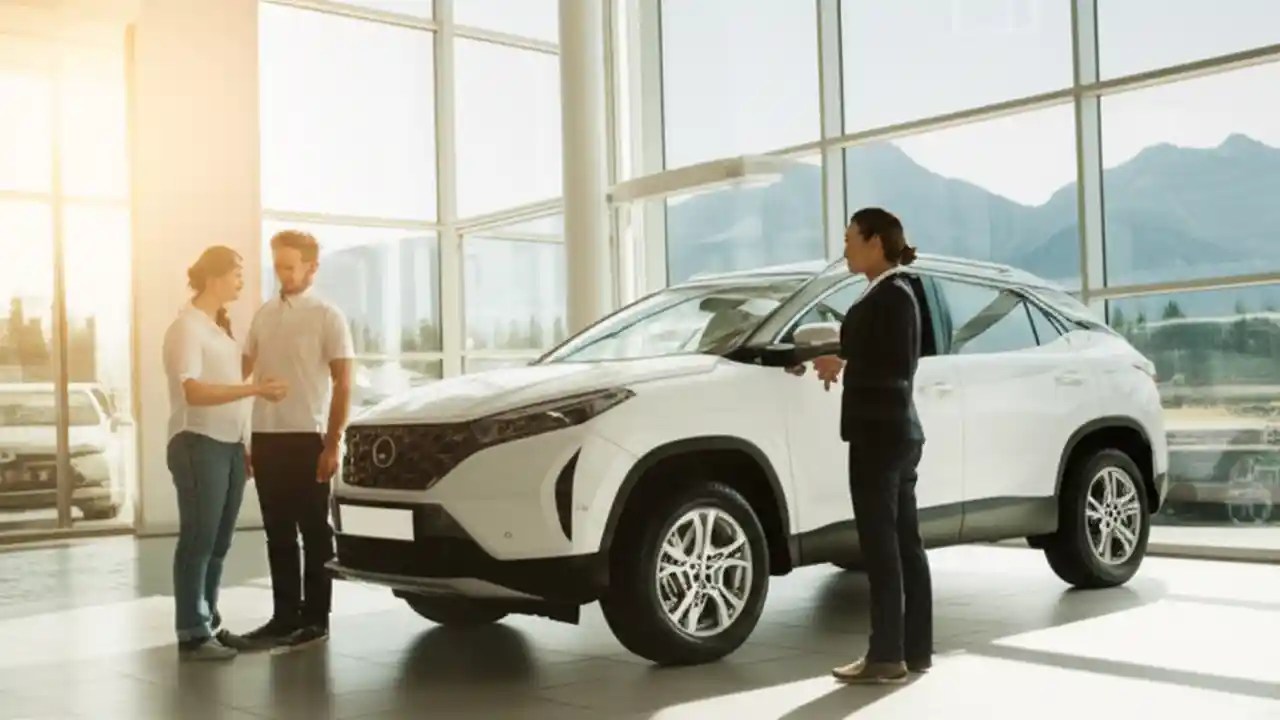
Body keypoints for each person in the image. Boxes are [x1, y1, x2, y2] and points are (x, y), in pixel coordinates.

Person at [792, 208, 933, 684]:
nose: (845, 247)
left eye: (851, 238)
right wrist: (844, 359)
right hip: (895, 432)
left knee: (883, 548)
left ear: (875, 242)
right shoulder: (893, 293)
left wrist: (843, 364)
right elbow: (886, 357)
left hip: (880, 435)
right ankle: (912, 651)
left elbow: (892, 366)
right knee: (904, 545)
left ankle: (886, 656)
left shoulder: (891, 295)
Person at [162, 246, 288, 661]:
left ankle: (209, 620)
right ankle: (192, 633)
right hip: (197, 442)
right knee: (198, 539)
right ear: (213, 278)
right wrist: (254, 388)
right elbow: (193, 391)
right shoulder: (187, 328)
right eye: (236, 273)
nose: (241, 280)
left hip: (229, 447)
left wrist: (245, 446)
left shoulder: (219, 330)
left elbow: (228, 392)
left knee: (218, 542)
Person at [240, 230, 354, 650]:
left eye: (290, 266)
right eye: (278, 266)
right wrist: (246, 440)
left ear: (311, 267)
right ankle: (284, 617)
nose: (283, 274)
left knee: (315, 532)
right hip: (266, 438)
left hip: (308, 439)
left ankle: (316, 619)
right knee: (278, 534)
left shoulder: (328, 316)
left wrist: (332, 442)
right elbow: (242, 377)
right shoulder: (263, 315)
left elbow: (344, 383)